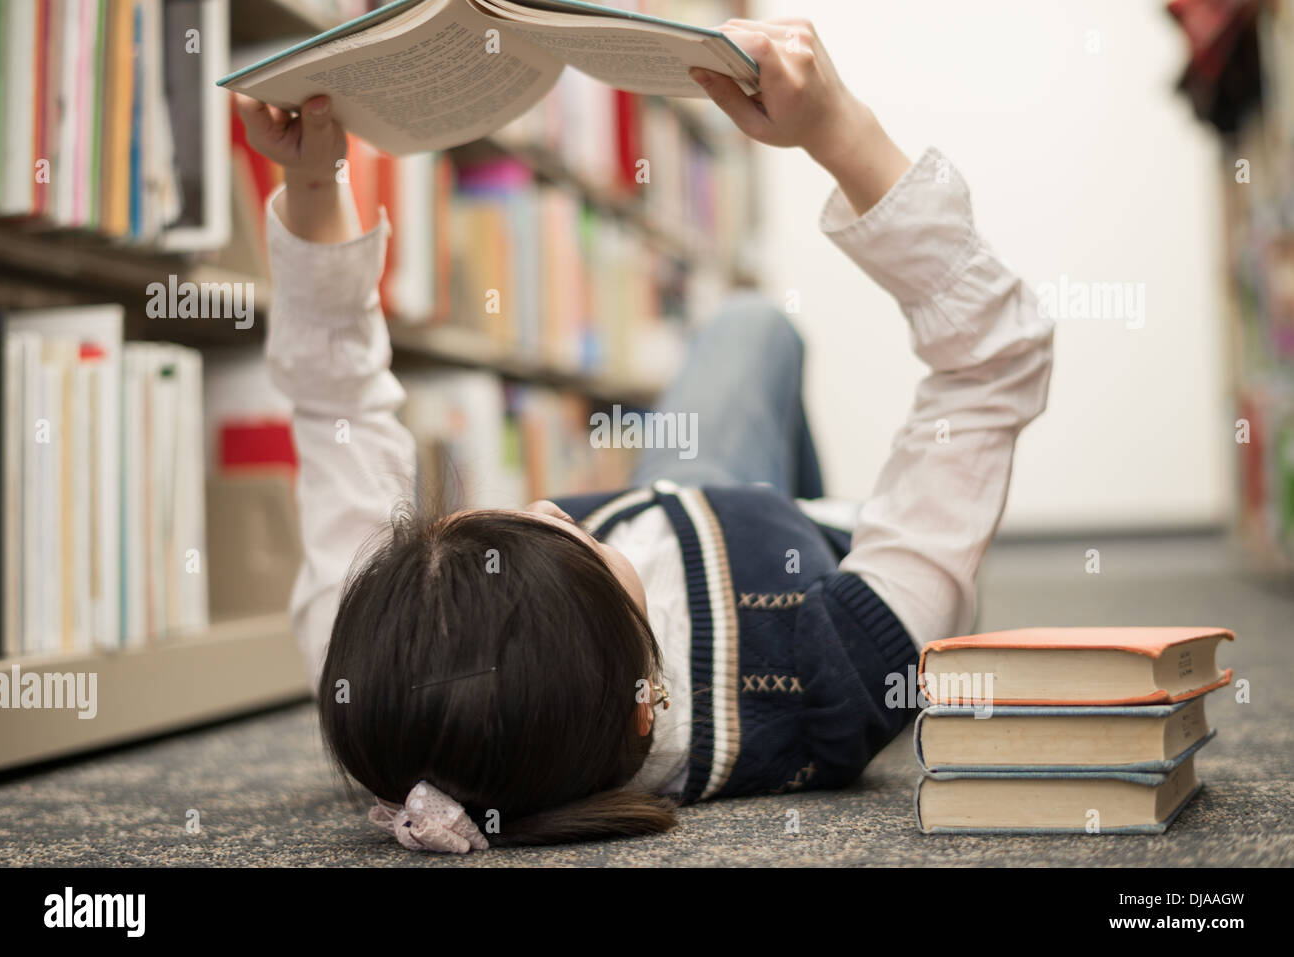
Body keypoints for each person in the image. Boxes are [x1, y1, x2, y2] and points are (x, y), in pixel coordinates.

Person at [233, 17, 1054, 853]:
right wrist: (839, 130)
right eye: (563, 539)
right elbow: (994, 359)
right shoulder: (840, 664)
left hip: (685, 512)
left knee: (746, 333)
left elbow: (337, 402)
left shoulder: (376, 682)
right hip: (814, 563)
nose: (551, 502)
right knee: (752, 324)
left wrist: (313, 180)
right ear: (644, 698)